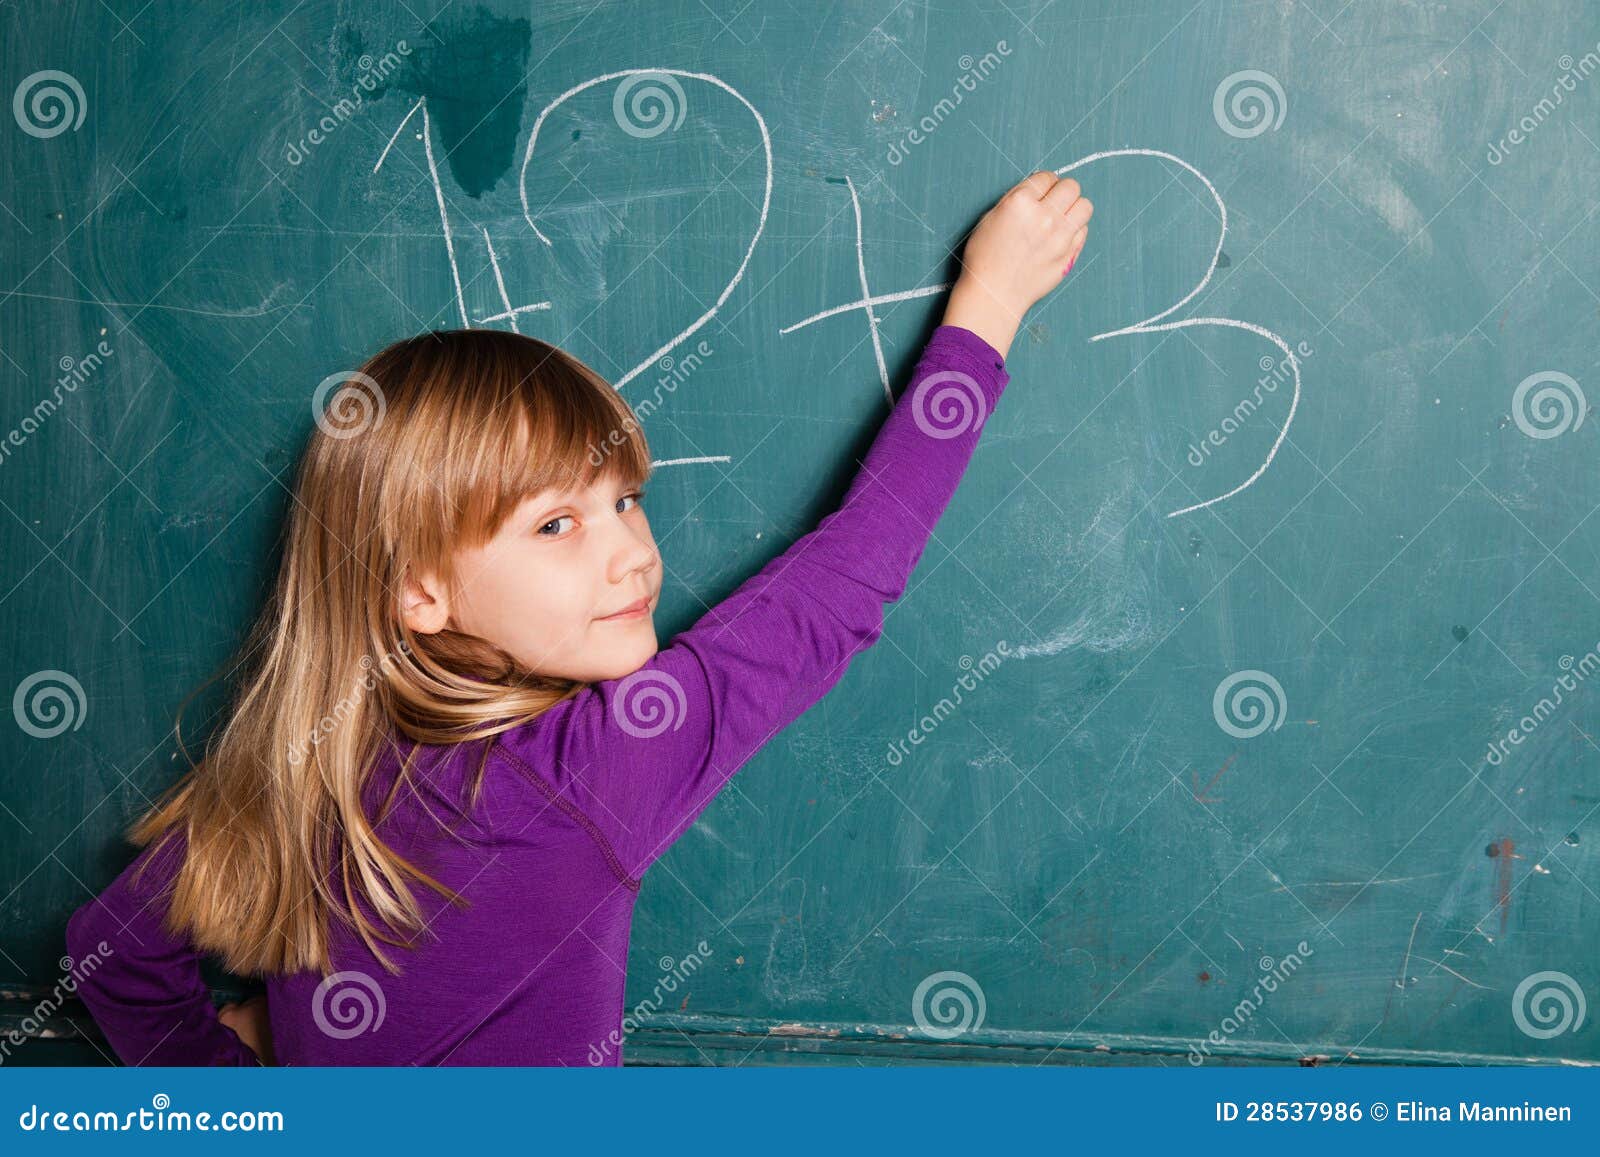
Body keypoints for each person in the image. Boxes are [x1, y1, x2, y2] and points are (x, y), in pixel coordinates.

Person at [65, 172, 1092, 1065]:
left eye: (625, 499)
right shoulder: (592, 767)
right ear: (418, 591)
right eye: (557, 522)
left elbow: (108, 956)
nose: (629, 549)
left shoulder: (287, 776)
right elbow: (848, 574)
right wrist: (988, 304)